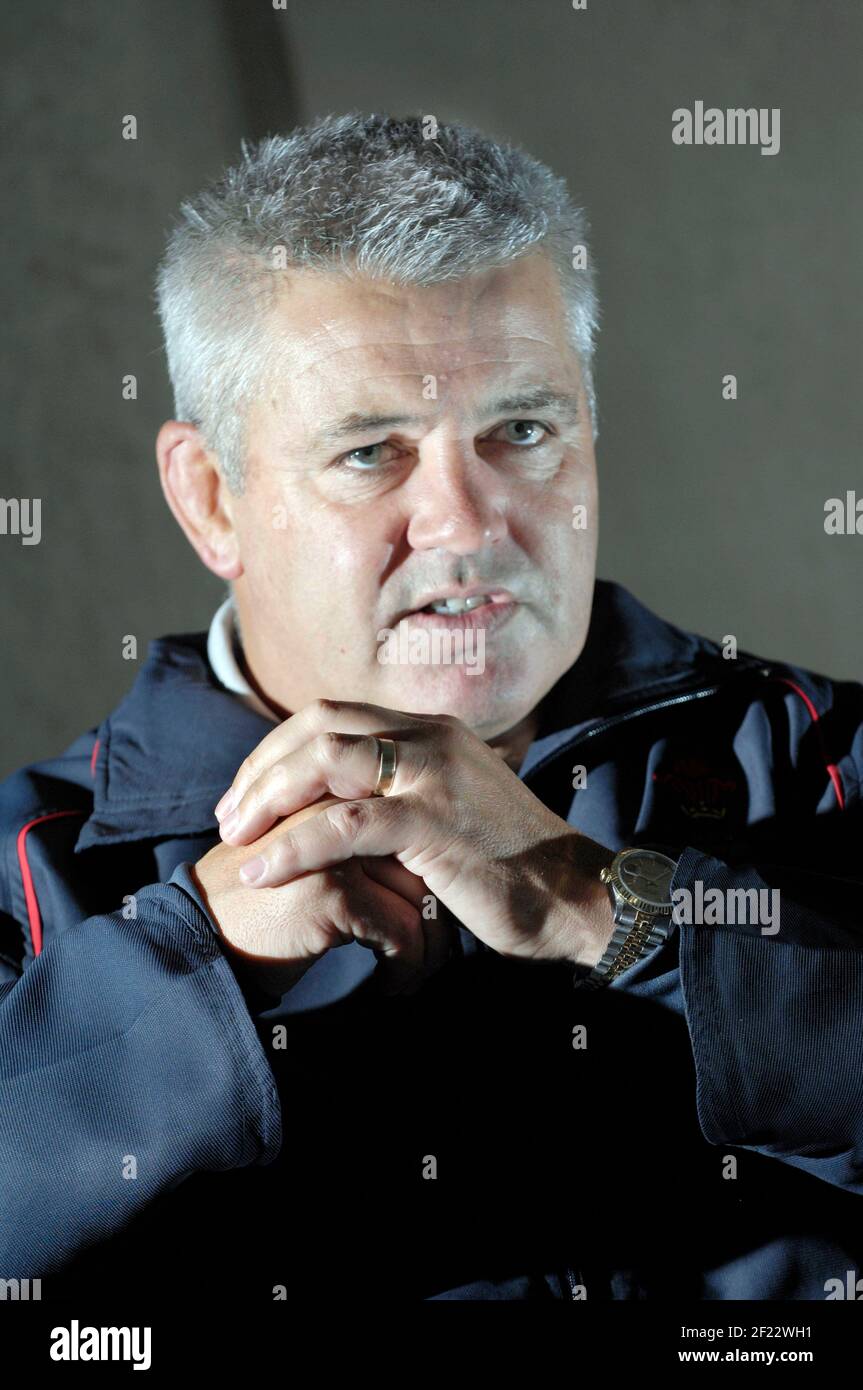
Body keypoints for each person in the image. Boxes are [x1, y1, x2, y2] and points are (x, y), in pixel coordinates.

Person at [1, 113, 861, 1303]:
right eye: (370, 452)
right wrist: (182, 982)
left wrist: (601, 907)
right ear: (211, 499)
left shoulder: (830, 764)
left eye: (522, 430)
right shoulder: (30, 880)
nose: (465, 523)